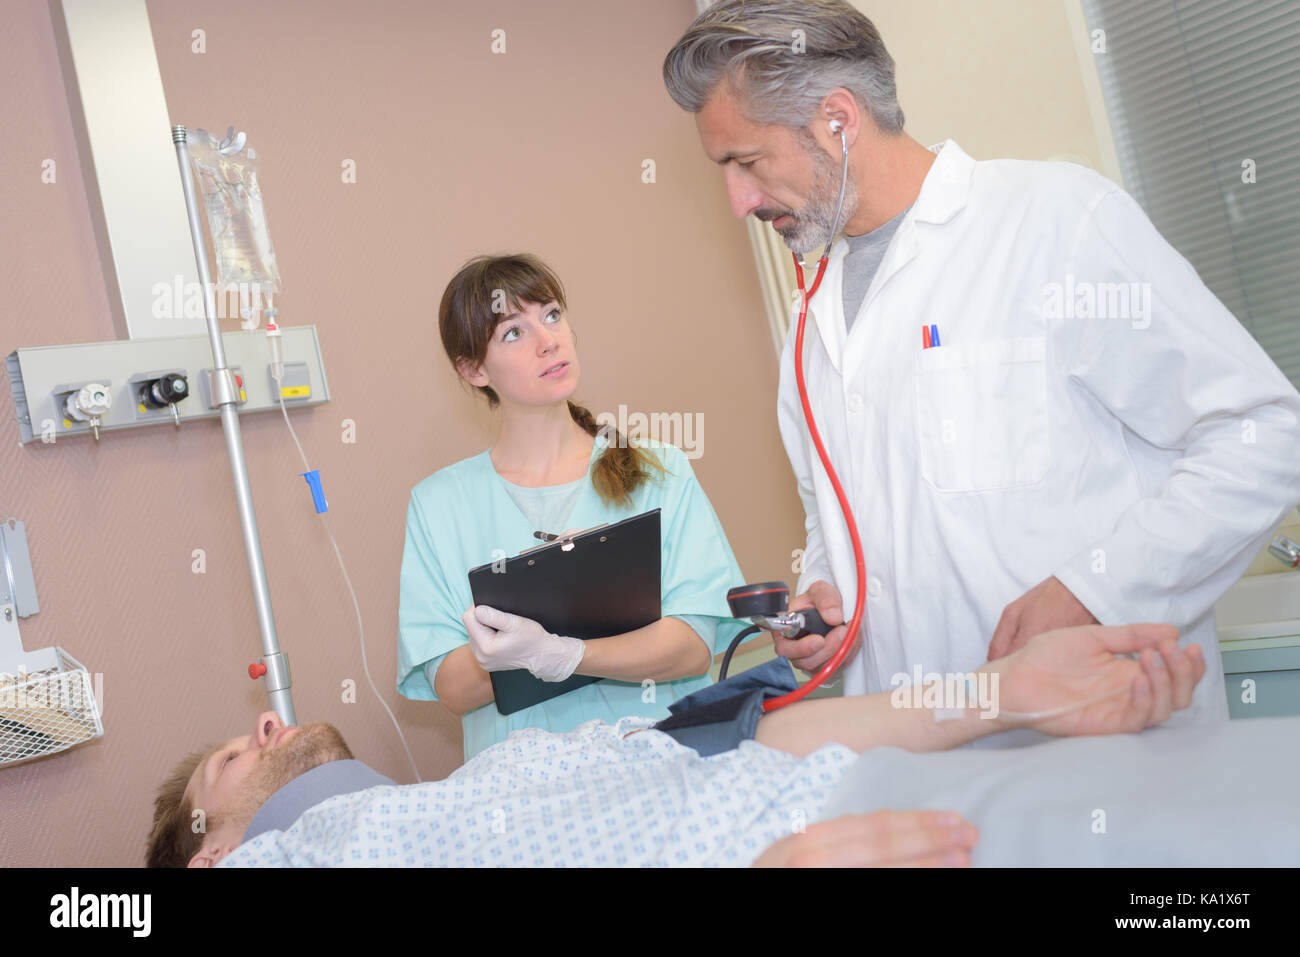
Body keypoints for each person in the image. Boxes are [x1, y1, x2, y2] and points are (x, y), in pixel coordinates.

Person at [661, 0, 1300, 724]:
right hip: (917, 764)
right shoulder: (813, 322)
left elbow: (1262, 433)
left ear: (838, 119)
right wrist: (825, 592)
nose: (738, 200)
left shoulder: (1052, 222)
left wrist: (1097, 588)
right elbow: (830, 513)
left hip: (1098, 750)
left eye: (746, 162)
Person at [145, 621, 1204, 867]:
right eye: (233, 760)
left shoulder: (484, 785)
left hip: (882, 791)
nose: (266, 726)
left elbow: (743, 735)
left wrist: (1004, 693)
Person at [397, 253, 750, 760]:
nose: (549, 340)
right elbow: (451, 686)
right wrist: (540, 648)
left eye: (552, 315)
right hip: (523, 787)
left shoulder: (658, 467)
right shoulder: (438, 505)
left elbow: (692, 644)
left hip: (656, 757)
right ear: (474, 369)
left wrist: (561, 654)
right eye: (513, 332)